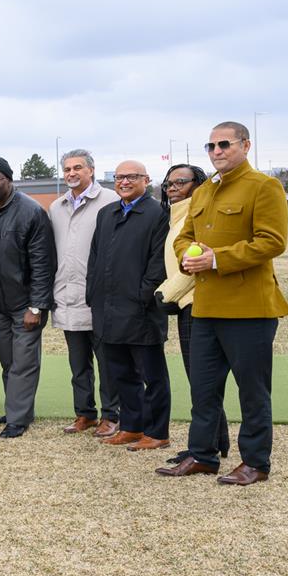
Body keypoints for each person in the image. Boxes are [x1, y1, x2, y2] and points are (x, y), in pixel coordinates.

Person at [157, 121, 288, 485]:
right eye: (211, 146)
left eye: (224, 144)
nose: (217, 151)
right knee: (203, 389)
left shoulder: (264, 186)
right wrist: (191, 254)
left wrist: (216, 259)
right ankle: (202, 455)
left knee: (252, 392)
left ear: (245, 146)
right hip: (205, 307)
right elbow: (184, 237)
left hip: (249, 308)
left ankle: (255, 463)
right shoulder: (204, 193)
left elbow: (273, 241)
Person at [87, 160, 172, 451]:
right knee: (122, 374)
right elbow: (95, 258)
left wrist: (142, 295)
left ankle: (157, 431)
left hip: (142, 310)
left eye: (132, 177)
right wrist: (93, 294)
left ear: (146, 179)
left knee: (152, 376)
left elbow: (158, 262)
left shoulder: (157, 214)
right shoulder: (106, 214)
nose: (124, 182)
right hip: (108, 309)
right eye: (120, 177)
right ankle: (132, 427)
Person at [0, 157, 56, 438]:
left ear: (10, 181)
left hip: (24, 304)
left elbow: (43, 263)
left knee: (24, 363)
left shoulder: (31, 212)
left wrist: (37, 306)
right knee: (8, 362)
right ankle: (20, 410)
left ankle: (18, 420)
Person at [48, 149, 121, 436]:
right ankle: (84, 413)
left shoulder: (110, 201)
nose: (71, 173)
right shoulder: (56, 207)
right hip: (67, 296)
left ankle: (112, 415)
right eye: (67, 169)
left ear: (91, 170)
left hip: (100, 296)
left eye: (77, 167)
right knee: (78, 364)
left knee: (108, 362)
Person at [155, 163, 225, 462]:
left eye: (180, 182)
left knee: (202, 381)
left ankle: (205, 446)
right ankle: (213, 441)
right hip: (186, 305)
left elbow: (194, 264)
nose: (172, 188)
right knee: (199, 380)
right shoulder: (176, 216)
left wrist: (165, 293)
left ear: (198, 184)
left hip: (197, 304)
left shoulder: (199, 213)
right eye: (168, 183)